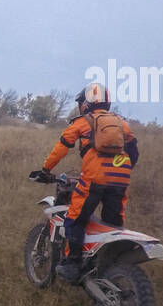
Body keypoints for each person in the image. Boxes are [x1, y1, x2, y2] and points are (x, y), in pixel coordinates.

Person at [30, 83, 139, 282]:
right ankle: (108, 265)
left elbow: (61, 147)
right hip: (121, 180)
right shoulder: (122, 123)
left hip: (94, 179)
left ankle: (72, 264)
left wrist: (46, 170)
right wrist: (120, 171)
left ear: (87, 102)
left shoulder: (83, 122)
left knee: (75, 218)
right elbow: (134, 152)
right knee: (111, 224)